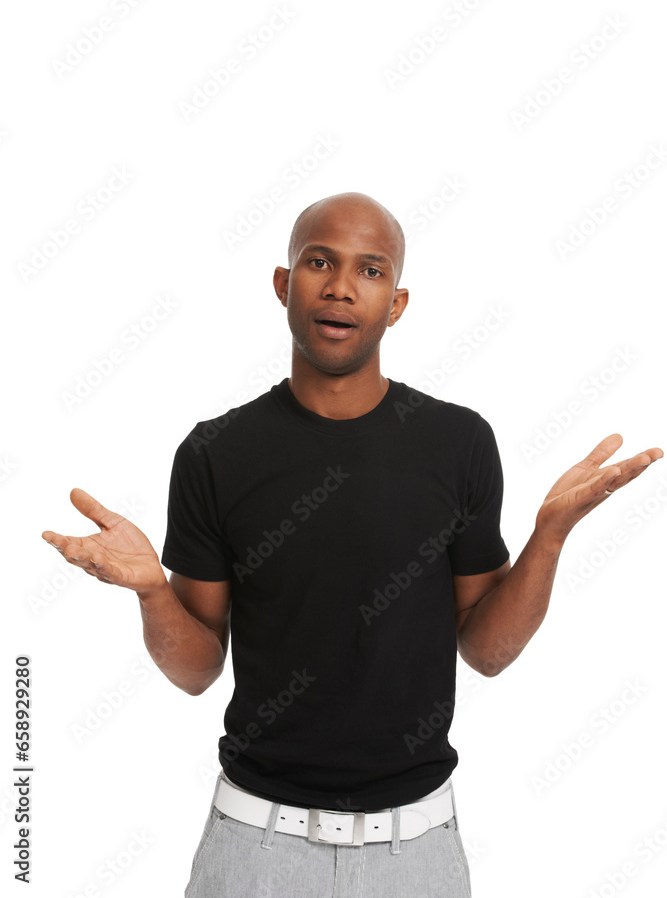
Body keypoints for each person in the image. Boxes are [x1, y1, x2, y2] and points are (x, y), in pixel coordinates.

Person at [42, 191, 663, 897]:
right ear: (283, 284)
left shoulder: (457, 442)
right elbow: (195, 670)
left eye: (370, 270)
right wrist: (154, 592)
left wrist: (548, 538)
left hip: (416, 854)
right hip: (254, 850)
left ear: (395, 304)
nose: (341, 287)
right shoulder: (216, 452)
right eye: (319, 262)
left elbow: (487, 652)